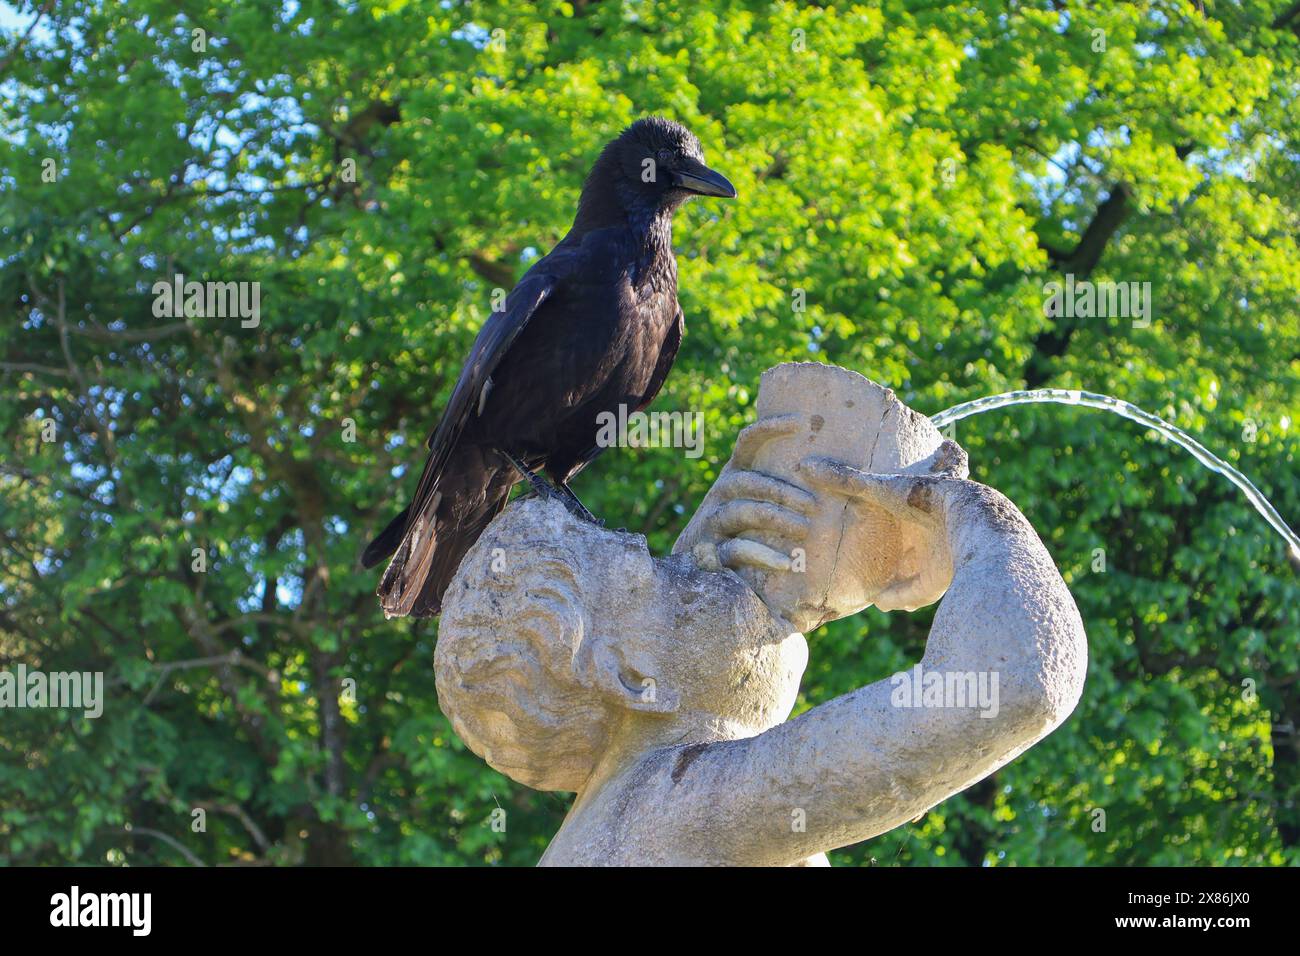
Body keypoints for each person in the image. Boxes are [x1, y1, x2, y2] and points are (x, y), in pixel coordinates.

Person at [434, 412, 1088, 866]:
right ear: (630, 675)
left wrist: (764, 603)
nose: (693, 561)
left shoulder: (619, 814)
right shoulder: (681, 801)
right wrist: (964, 510)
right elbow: (1017, 680)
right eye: (658, 575)